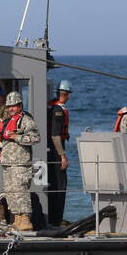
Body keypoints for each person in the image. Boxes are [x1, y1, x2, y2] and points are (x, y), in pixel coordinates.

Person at [0, 90, 40, 231]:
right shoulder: (8, 120)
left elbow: (35, 138)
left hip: (20, 163)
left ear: (20, 105)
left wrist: (17, 137)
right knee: (10, 192)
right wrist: (0, 148)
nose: (11, 109)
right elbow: (3, 138)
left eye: (14, 106)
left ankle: (25, 220)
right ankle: (17, 219)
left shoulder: (26, 120)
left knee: (21, 192)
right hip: (8, 163)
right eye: (9, 106)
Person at [45, 79, 72, 226]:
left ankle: (52, 217)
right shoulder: (58, 111)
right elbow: (55, 135)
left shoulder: (51, 106)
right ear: (67, 94)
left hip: (50, 149)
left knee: (52, 184)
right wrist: (63, 156)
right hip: (56, 150)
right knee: (60, 185)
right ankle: (55, 219)